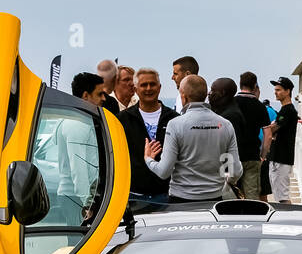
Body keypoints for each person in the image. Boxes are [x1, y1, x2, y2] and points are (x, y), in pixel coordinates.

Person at [146, 74, 240, 202]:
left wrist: (148, 159)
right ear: (206, 95)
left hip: (181, 199)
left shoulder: (175, 124)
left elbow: (164, 172)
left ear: (183, 96)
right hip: (214, 199)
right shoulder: (226, 124)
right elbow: (235, 171)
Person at [118, 67, 180, 200]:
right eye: (143, 85)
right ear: (135, 89)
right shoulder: (123, 119)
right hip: (135, 194)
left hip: (168, 193)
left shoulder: (174, 118)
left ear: (159, 87)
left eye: (152, 84)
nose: (148, 88)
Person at [54, 72, 107, 218]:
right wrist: (87, 204)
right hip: (76, 199)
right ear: (85, 95)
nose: (104, 98)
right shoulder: (76, 124)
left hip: (77, 197)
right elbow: (79, 168)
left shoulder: (76, 120)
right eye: (99, 94)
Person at [233, 72, 273, 201]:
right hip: (252, 156)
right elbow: (268, 135)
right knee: (252, 197)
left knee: (231, 194)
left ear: (240, 84)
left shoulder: (232, 103)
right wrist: (263, 155)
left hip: (233, 156)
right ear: (255, 86)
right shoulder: (260, 106)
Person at [209, 77, 251, 195]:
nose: (210, 94)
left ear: (222, 93)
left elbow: (232, 150)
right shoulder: (224, 111)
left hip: (227, 178)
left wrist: (228, 178)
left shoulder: (231, 116)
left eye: (212, 91)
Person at [263, 76, 298, 203]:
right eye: (275, 90)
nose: (275, 92)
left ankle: (288, 219)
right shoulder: (283, 110)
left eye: (278, 90)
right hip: (278, 157)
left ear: (287, 91)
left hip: (282, 158)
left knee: (282, 197)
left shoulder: (288, 111)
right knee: (279, 194)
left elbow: (272, 129)